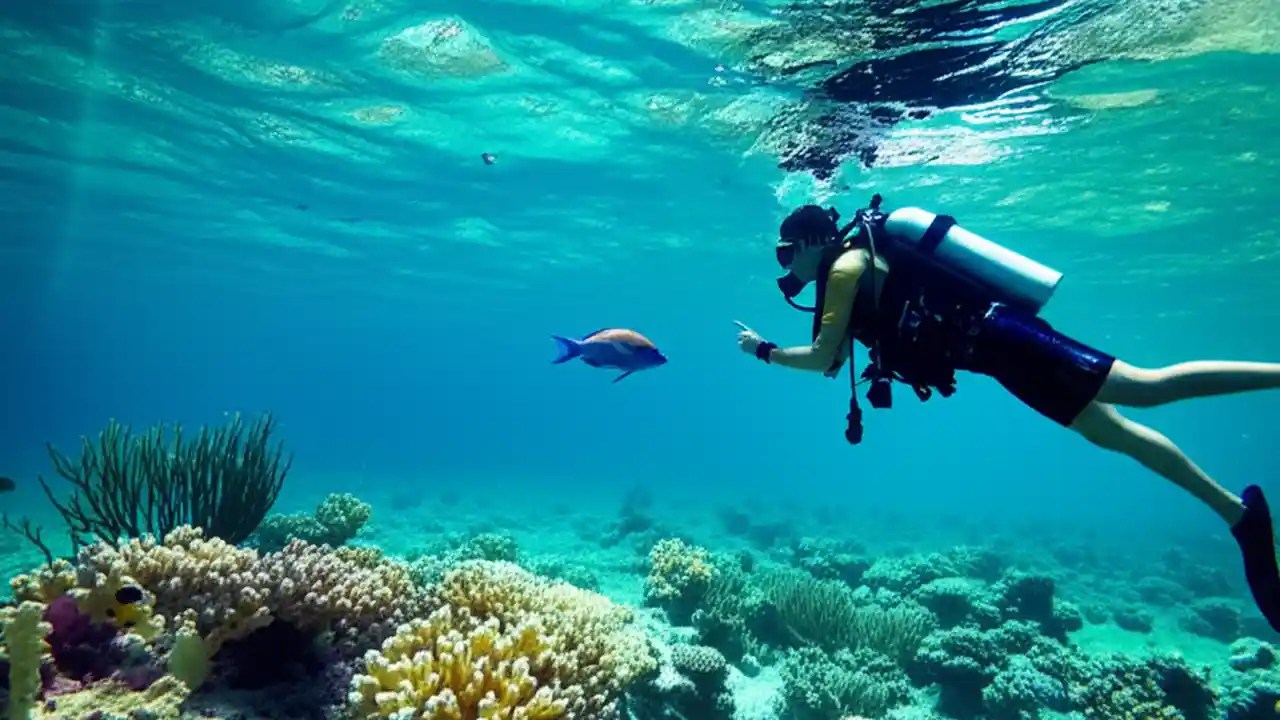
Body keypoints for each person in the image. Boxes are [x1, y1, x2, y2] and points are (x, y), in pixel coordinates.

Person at [734, 195, 1280, 630]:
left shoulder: (849, 266)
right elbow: (837, 357)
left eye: (786, 253)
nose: (785, 265)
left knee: (1145, 387)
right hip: (998, 360)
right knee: (1115, 435)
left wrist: (761, 350)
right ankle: (1239, 516)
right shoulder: (849, 271)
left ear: (810, 242)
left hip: (1004, 338)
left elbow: (822, 356)